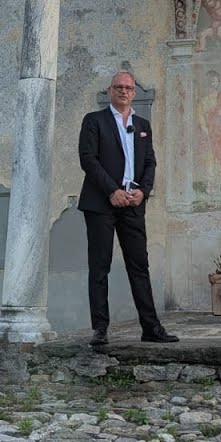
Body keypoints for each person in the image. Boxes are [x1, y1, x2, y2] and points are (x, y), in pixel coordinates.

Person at [78, 70, 178, 346]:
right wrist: (112, 190)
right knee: (100, 266)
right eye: (118, 87)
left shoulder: (142, 124)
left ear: (134, 92)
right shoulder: (94, 121)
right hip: (101, 203)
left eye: (128, 87)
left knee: (139, 265)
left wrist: (142, 192)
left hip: (133, 204)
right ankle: (100, 329)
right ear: (110, 91)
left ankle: (151, 327)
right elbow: (88, 159)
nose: (124, 91)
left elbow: (150, 163)